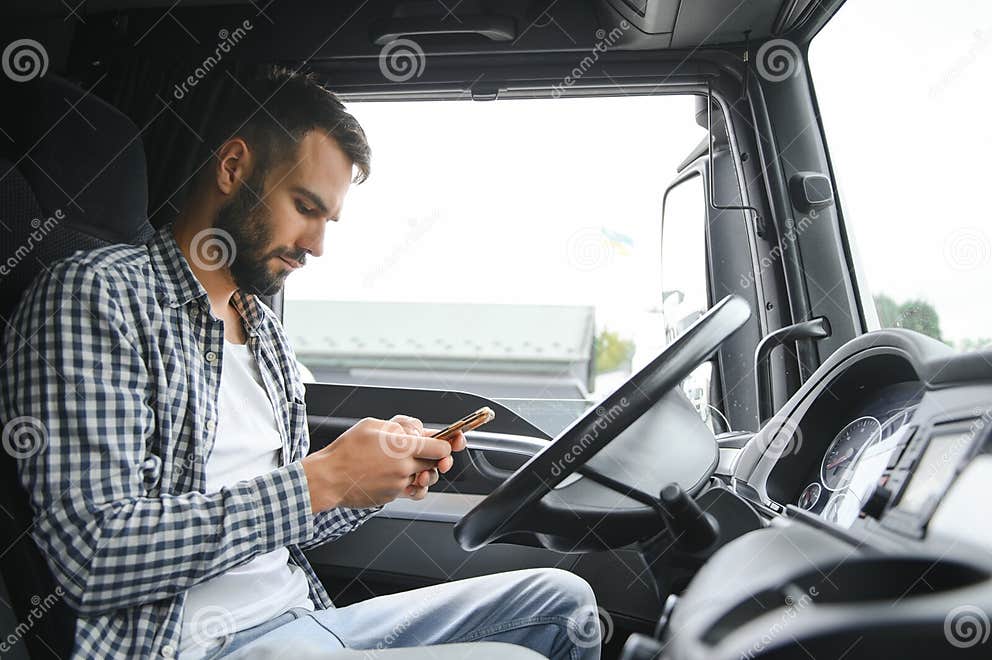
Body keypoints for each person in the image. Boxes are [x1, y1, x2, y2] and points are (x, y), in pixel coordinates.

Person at [0, 66, 599, 660]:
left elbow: (282, 521)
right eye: (304, 207)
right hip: (188, 647)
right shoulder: (96, 297)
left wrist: (368, 482)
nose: (316, 245)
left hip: (303, 619)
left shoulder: (264, 333)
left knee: (564, 602)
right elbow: (94, 558)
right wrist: (324, 478)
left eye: (326, 220)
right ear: (233, 167)